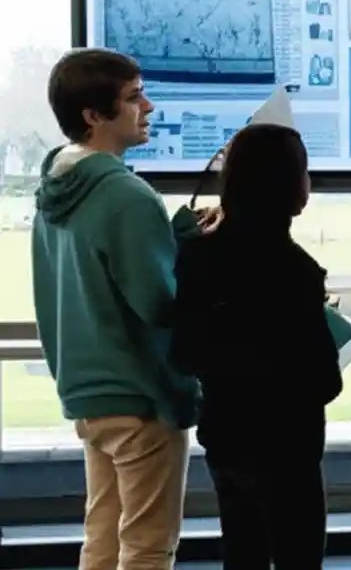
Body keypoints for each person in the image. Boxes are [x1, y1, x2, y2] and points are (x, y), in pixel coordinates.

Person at [31, 48, 216, 570]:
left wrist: (173, 235)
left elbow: (98, 271)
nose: (150, 107)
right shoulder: (128, 195)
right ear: (94, 115)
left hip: (90, 393)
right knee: (148, 547)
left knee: (103, 538)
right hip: (143, 397)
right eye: (135, 98)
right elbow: (159, 303)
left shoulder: (55, 190)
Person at [172, 123, 342, 568]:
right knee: (296, 551)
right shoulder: (297, 271)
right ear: (294, 189)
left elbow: (186, 350)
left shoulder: (195, 257)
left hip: (226, 436)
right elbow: (325, 380)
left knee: (241, 549)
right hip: (290, 446)